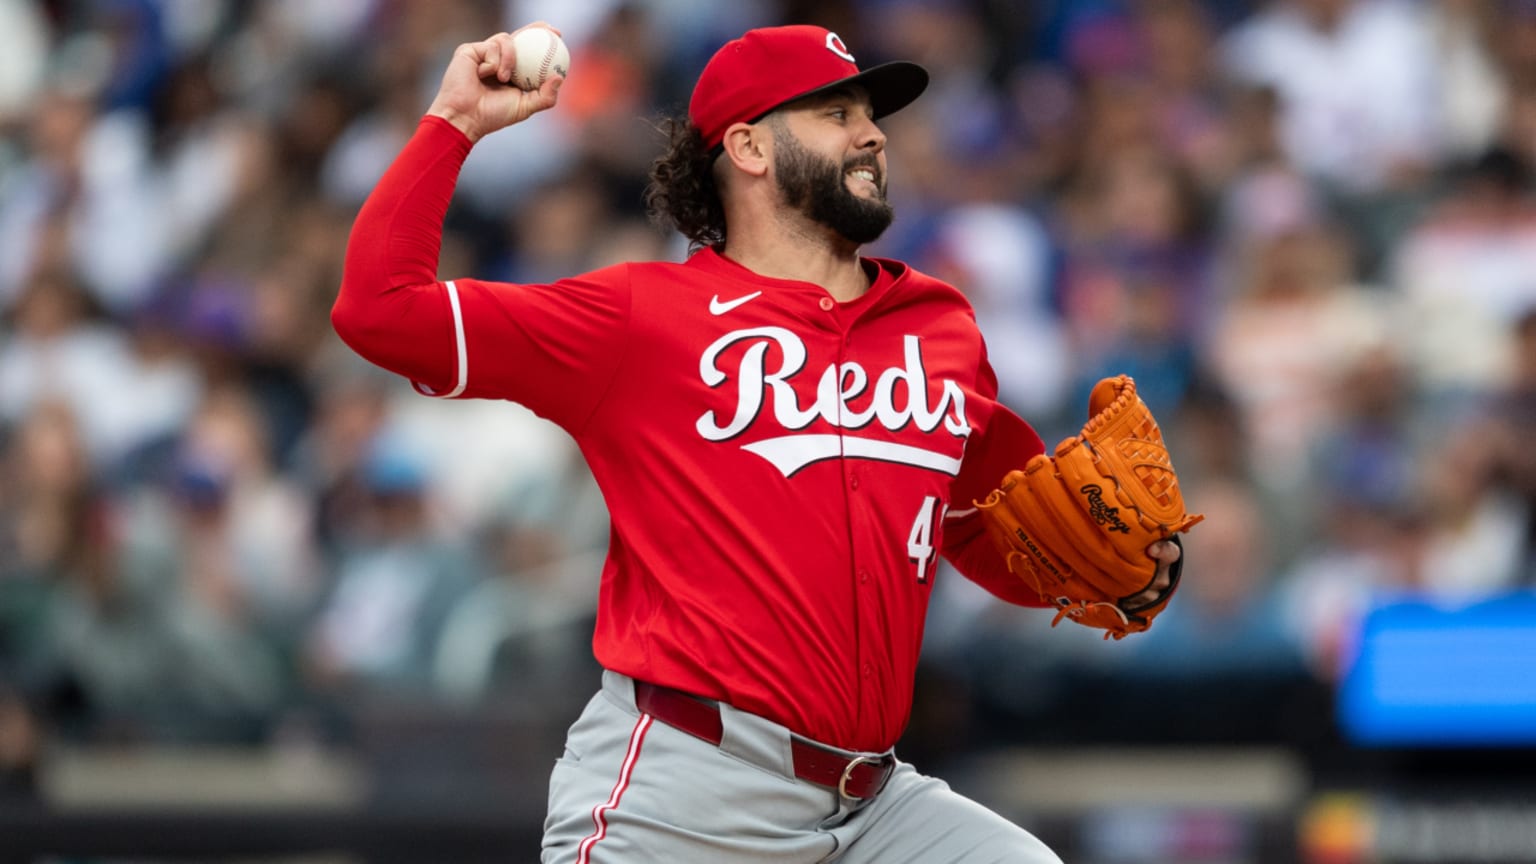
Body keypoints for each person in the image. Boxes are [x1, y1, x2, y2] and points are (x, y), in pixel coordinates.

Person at [333, 22, 1182, 863]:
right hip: (682, 795)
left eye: (871, 115)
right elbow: (380, 310)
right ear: (748, 146)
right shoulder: (638, 319)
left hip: (874, 805)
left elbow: (986, 527)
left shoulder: (941, 326)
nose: (872, 134)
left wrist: (1118, 564)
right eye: (835, 113)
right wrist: (454, 124)